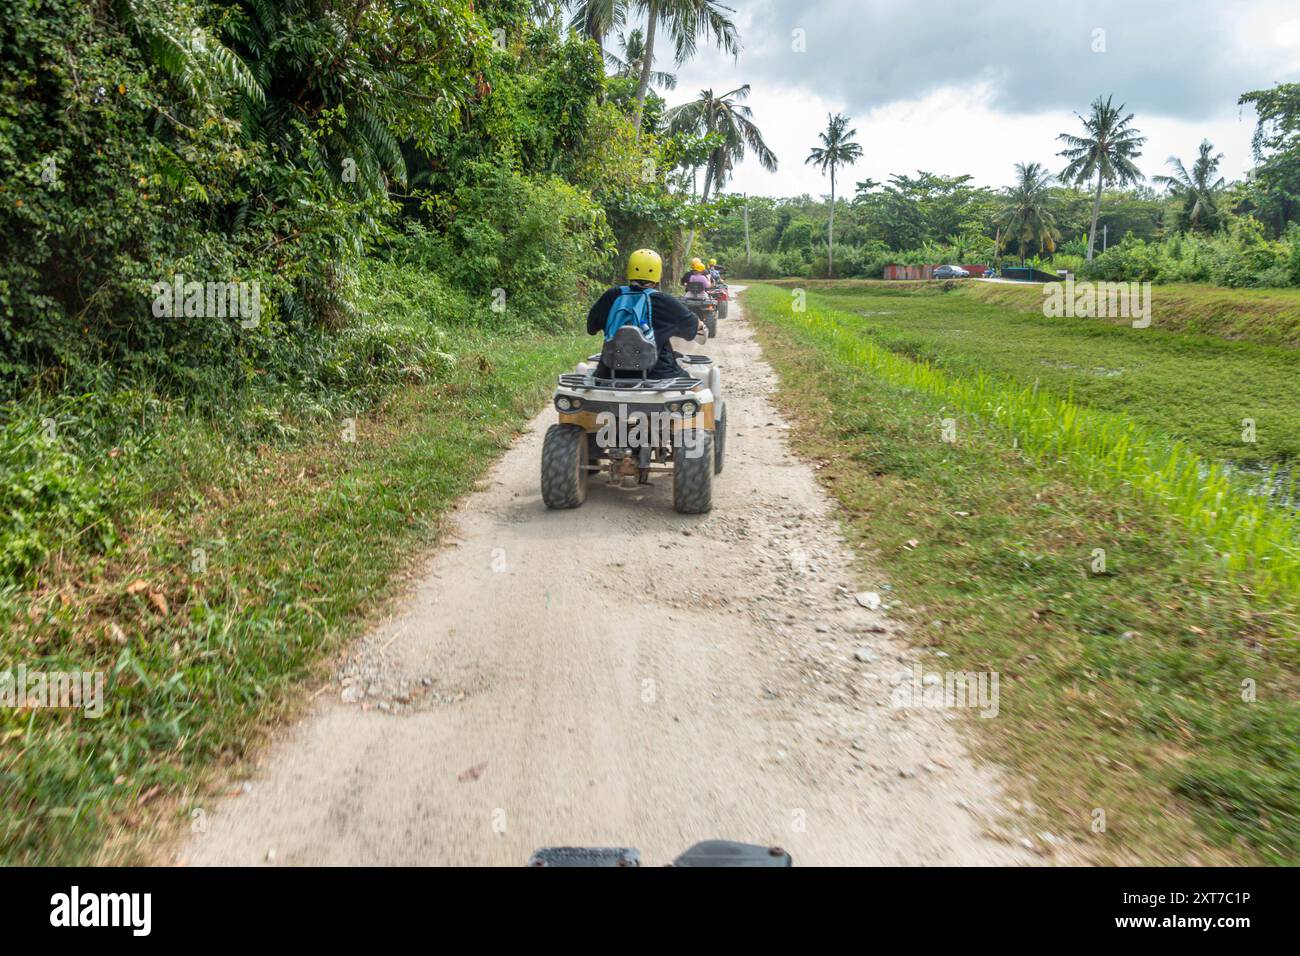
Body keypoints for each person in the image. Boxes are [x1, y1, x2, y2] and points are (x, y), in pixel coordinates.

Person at [587, 249, 704, 380]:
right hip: (659, 374)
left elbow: (591, 328)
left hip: (608, 373)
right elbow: (695, 328)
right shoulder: (665, 301)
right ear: (658, 274)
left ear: (630, 270)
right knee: (699, 389)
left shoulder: (611, 296)